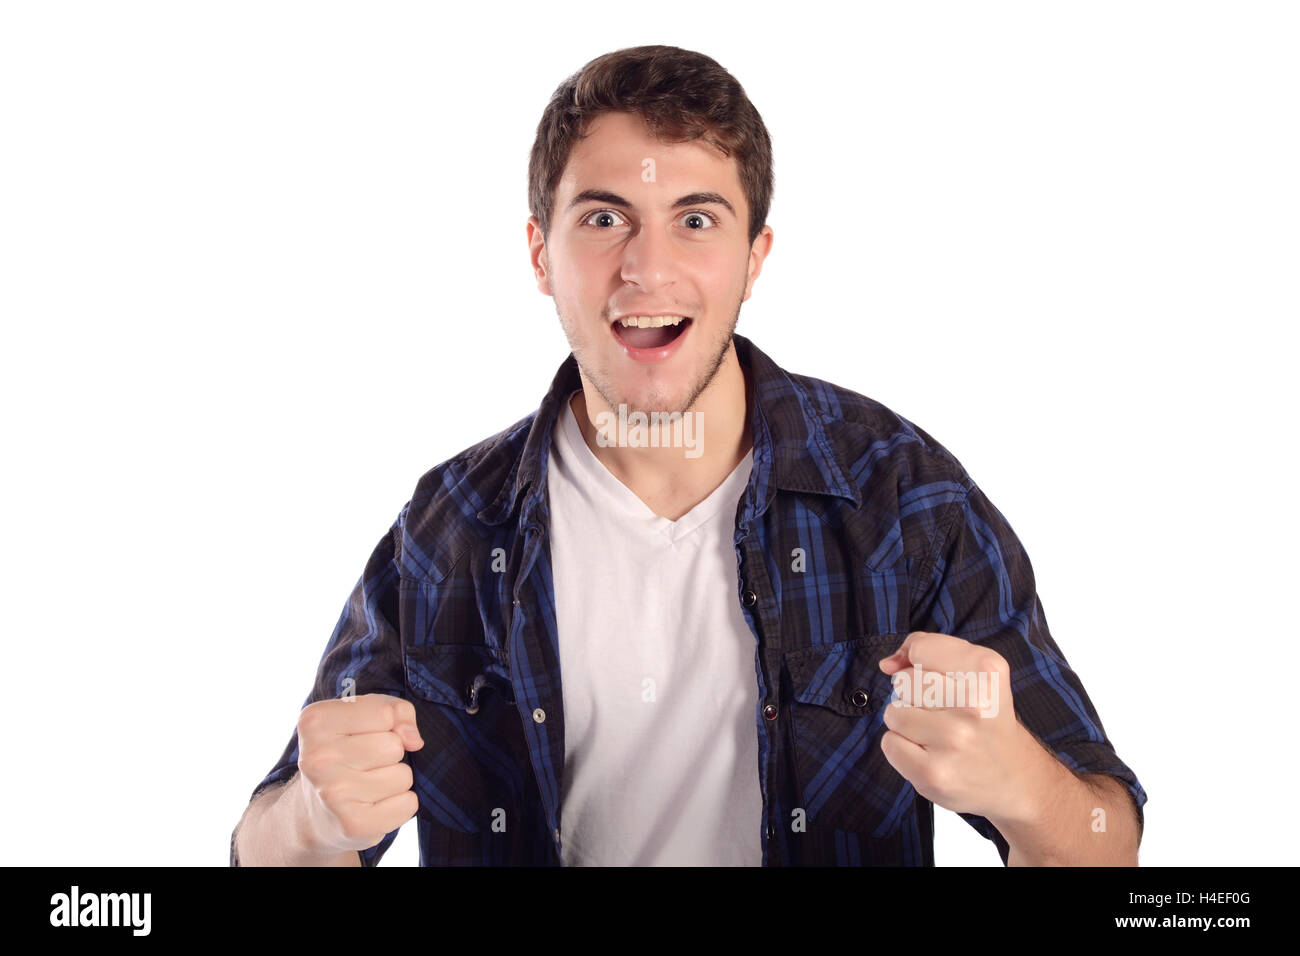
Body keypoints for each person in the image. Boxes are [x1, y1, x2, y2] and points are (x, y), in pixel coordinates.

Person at [231, 44, 1146, 867]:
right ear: (540, 255)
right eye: (604, 219)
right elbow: (264, 843)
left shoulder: (904, 500)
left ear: (756, 257)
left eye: (697, 220)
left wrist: (1024, 787)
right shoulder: (450, 529)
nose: (648, 269)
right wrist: (311, 822)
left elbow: (1107, 840)